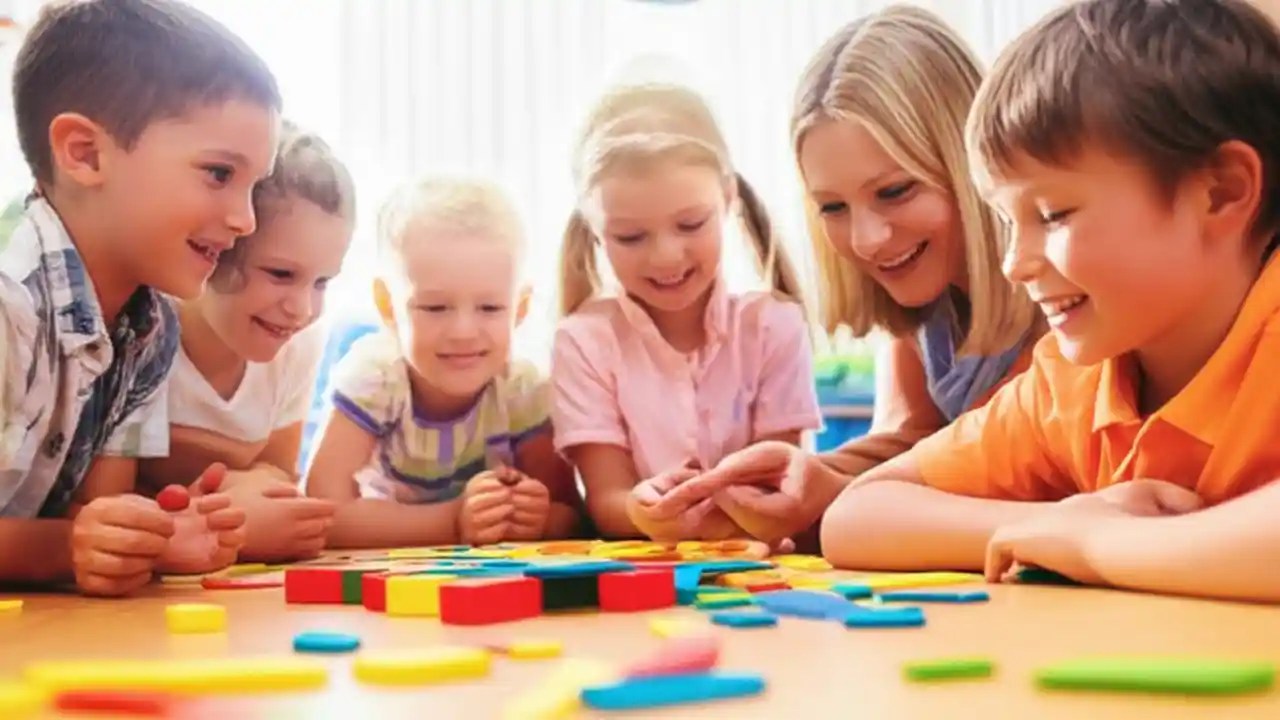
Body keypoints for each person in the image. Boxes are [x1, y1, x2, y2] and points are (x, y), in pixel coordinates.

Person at [823, 0, 1280, 604]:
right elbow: (857, 517)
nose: (1015, 263)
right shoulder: (1071, 385)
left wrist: (1097, 545)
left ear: (1220, 192)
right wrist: (1049, 527)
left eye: (1052, 214)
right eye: (1007, 222)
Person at [647, 7, 1040, 551]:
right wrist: (748, 489)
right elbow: (910, 448)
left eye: (896, 191)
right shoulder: (923, 311)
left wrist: (828, 495)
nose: (867, 240)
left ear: (968, 163)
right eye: (832, 207)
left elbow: (1001, 471)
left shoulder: (1056, 299)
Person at [0, 0, 278, 594]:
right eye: (220, 174)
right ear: (85, 153)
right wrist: (68, 547)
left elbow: (101, 514)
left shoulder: (150, 328)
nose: (246, 220)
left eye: (255, 187)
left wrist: (152, 537)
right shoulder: (9, 302)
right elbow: (73, 539)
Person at [551, 83, 821, 541]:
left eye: (691, 224)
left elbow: (781, 484)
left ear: (729, 198)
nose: (666, 257)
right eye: (631, 237)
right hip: (644, 570)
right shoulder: (583, 341)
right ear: (594, 230)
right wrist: (642, 511)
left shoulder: (774, 326)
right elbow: (606, 499)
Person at [306, 178, 582, 547]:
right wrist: (452, 521)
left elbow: (571, 514)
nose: (464, 331)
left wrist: (538, 519)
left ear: (521, 308)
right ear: (388, 306)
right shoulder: (375, 377)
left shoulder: (522, 389)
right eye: (435, 308)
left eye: (490, 308)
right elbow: (323, 515)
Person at [138, 124, 353, 562]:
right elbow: (98, 501)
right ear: (214, 250)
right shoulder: (141, 335)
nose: (303, 309)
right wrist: (234, 523)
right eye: (280, 274)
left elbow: (277, 471)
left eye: (322, 282)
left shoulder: (297, 344)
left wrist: (252, 490)